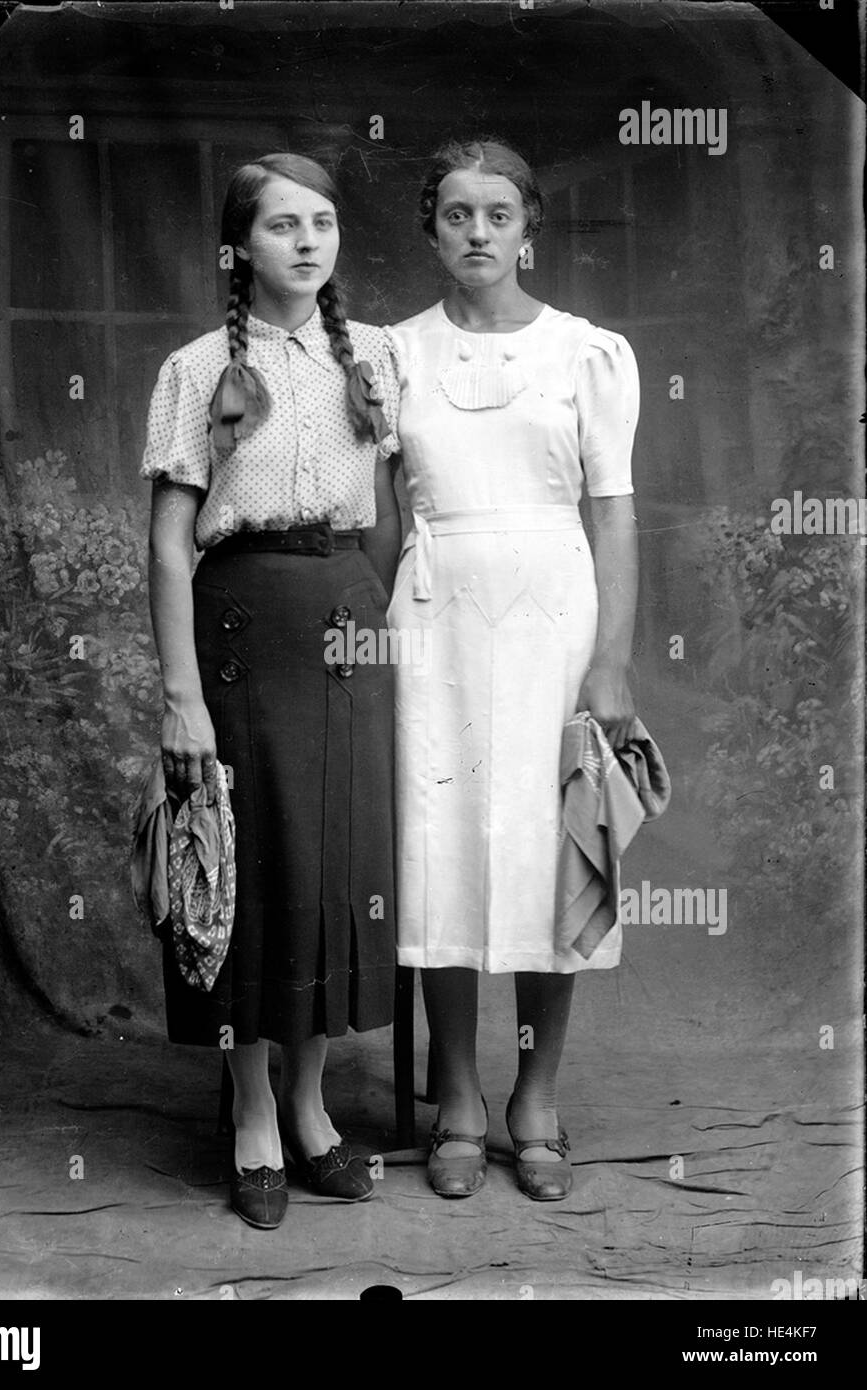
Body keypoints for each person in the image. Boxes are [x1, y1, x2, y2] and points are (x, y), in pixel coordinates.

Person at [140, 153, 401, 1230]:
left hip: (344, 619)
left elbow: (387, 513)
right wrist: (181, 695)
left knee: (333, 868)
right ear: (241, 246)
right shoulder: (197, 368)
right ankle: (249, 1110)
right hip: (239, 624)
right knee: (254, 876)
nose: (308, 240)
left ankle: (310, 1104)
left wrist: (375, 621)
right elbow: (166, 548)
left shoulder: (376, 354)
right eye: (284, 225)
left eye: (325, 223)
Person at [384, 138, 640, 1202]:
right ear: (431, 228)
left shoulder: (587, 353)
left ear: (529, 225)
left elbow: (615, 517)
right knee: (438, 850)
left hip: (555, 619)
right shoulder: (391, 354)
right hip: (433, 621)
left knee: (548, 848)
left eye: (497, 213)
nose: (477, 232)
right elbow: (371, 508)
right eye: (455, 214)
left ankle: (535, 1093)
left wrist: (612, 665)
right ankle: (455, 1096)